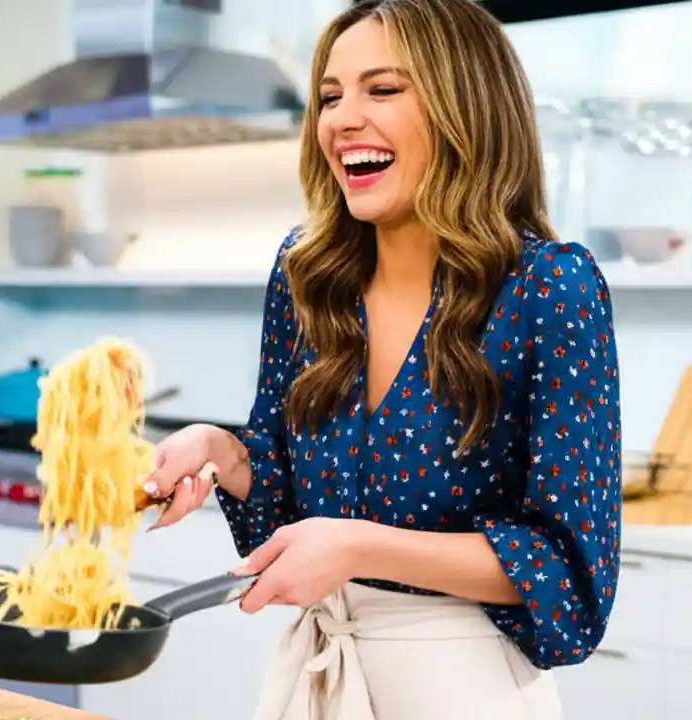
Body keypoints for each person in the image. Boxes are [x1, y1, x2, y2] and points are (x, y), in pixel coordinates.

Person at [143, 0, 622, 717]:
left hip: (467, 689)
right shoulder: (306, 275)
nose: (341, 118)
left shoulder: (550, 288)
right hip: (322, 674)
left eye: (383, 89)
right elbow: (288, 499)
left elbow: (565, 569)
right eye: (330, 96)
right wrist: (223, 455)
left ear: (466, 106)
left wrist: (361, 549)